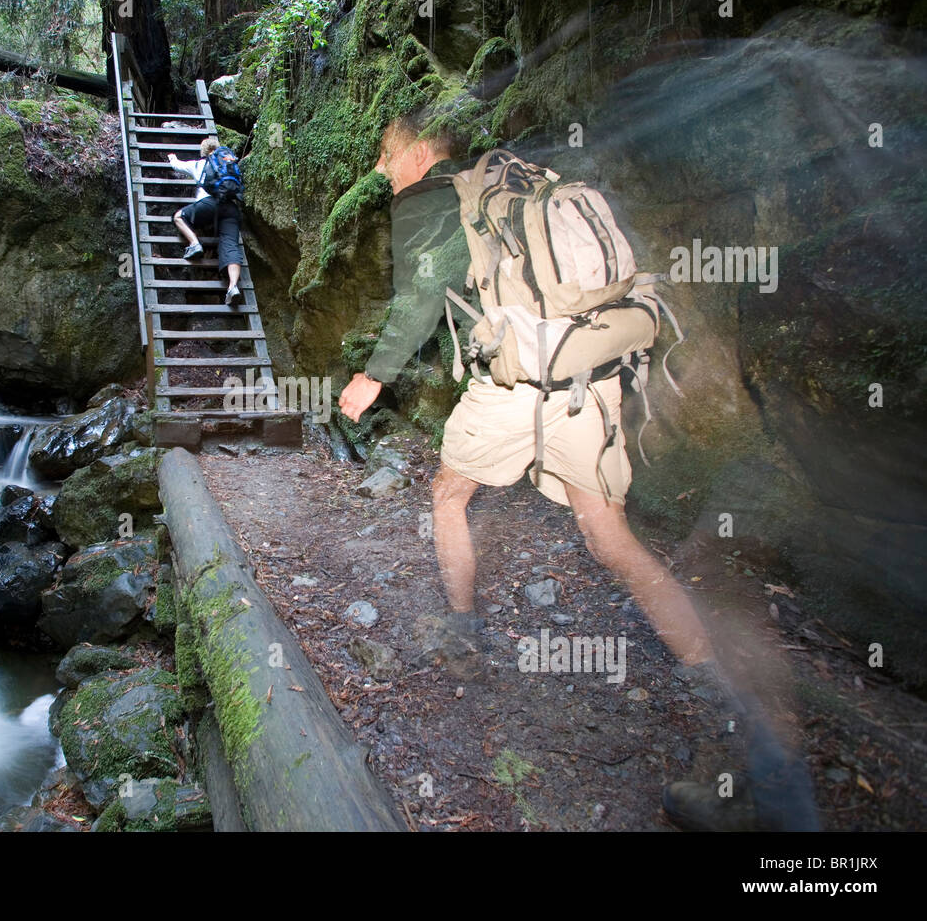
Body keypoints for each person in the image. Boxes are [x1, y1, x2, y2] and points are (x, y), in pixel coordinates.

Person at [338, 109, 820, 831]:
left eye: (385, 154)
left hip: (511, 385)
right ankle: (752, 750)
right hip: (588, 379)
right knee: (614, 543)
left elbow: (416, 301)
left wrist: (371, 378)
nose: (380, 170)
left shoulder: (429, 201)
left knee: (448, 495)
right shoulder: (514, 178)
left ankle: (464, 632)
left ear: (417, 151)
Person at [168, 137, 244, 305]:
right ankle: (233, 287)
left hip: (208, 205)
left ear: (203, 152)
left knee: (179, 217)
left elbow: (177, 165)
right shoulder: (230, 165)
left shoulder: (199, 164)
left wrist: (172, 157)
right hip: (230, 208)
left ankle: (194, 243)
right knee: (231, 245)